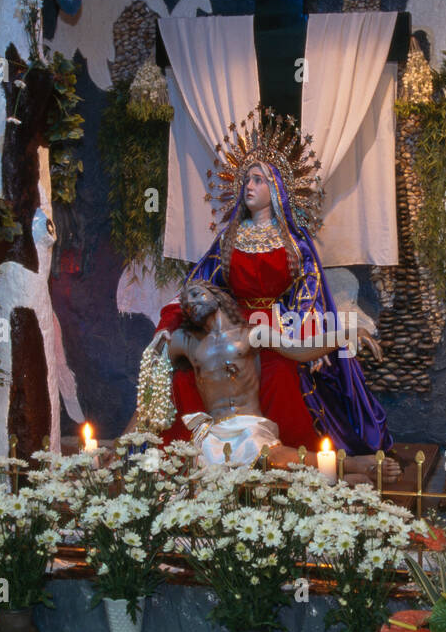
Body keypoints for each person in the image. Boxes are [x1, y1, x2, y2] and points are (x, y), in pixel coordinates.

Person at [144, 107, 394, 458]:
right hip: (233, 327)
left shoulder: (295, 243)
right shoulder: (229, 239)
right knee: (187, 375)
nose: (249, 186)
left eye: (258, 180)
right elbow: (195, 285)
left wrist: (308, 337)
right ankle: (187, 456)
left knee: (279, 373)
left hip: (277, 327)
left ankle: (288, 455)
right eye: (246, 180)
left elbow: (310, 297)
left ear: (275, 188)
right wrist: (168, 325)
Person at [168, 280, 398, 483]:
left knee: (268, 457)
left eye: (198, 294)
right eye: (186, 302)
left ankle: (350, 464)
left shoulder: (250, 334)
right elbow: (155, 358)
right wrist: (162, 332)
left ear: (216, 297)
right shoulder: (187, 343)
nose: (191, 303)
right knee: (226, 480)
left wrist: (348, 333)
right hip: (213, 432)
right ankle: (343, 481)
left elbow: (298, 350)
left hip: (248, 426)